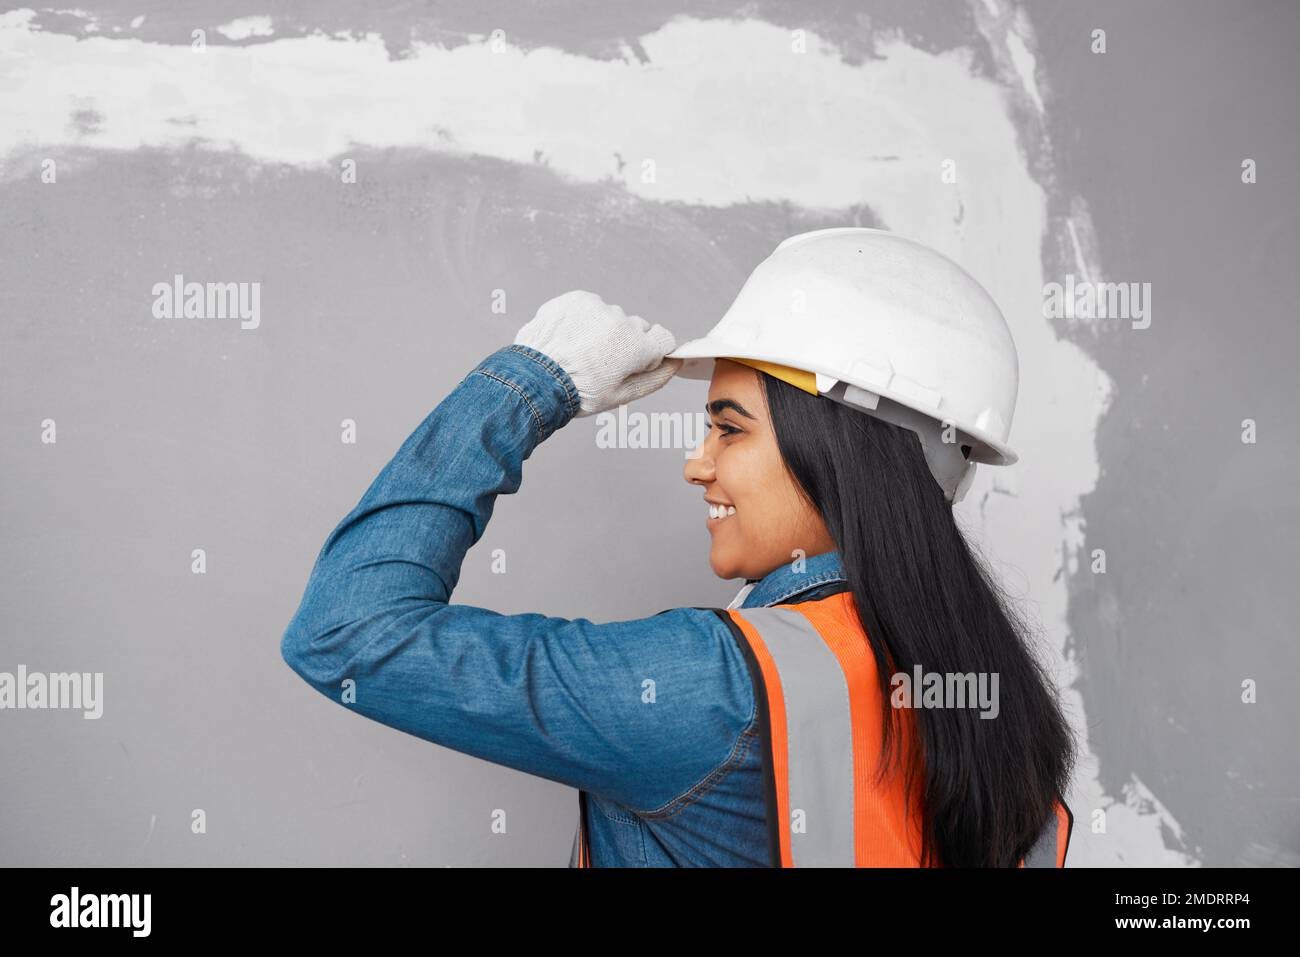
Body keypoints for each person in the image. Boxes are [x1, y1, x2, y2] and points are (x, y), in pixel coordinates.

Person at [281, 227, 1077, 867]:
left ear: (844, 454)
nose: (696, 464)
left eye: (730, 428)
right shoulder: (1001, 713)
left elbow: (346, 629)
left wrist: (531, 383)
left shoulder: (712, 687)